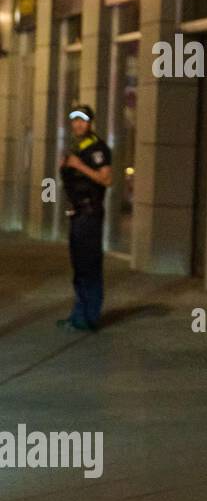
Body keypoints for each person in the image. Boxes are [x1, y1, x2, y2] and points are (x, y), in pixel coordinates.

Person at [57, 105, 112, 332]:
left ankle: (89, 317)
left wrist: (79, 166)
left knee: (89, 265)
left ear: (90, 123)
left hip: (89, 214)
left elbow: (106, 179)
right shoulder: (76, 148)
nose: (78, 124)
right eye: (75, 120)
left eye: (82, 120)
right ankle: (78, 314)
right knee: (79, 267)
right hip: (77, 214)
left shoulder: (97, 148)